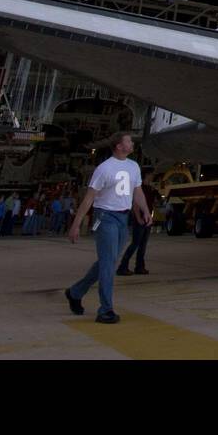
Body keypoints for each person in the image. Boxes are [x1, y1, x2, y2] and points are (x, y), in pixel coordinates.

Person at [64, 134, 151, 324]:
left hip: (123, 217)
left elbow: (137, 192)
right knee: (108, 264)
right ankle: (106, 310)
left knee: (107, 261)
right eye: (129, 141)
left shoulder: (134, 166)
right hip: (105, 217)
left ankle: (75, 292)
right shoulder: (104, 169)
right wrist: (76, 224)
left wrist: (144, 210)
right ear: (119, 146)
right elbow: (89, 197)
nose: (132, 143)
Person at [117, 180, 160, 276]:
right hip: (140, 219)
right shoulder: (140, 188)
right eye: (150, 176)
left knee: (142, 245)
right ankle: (123, 266)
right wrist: (138, 218)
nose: (152, 178)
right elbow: (136, 204)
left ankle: (139, 266)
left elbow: (154, 203)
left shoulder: (150, 189)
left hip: (146, 219)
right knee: (136, 243)